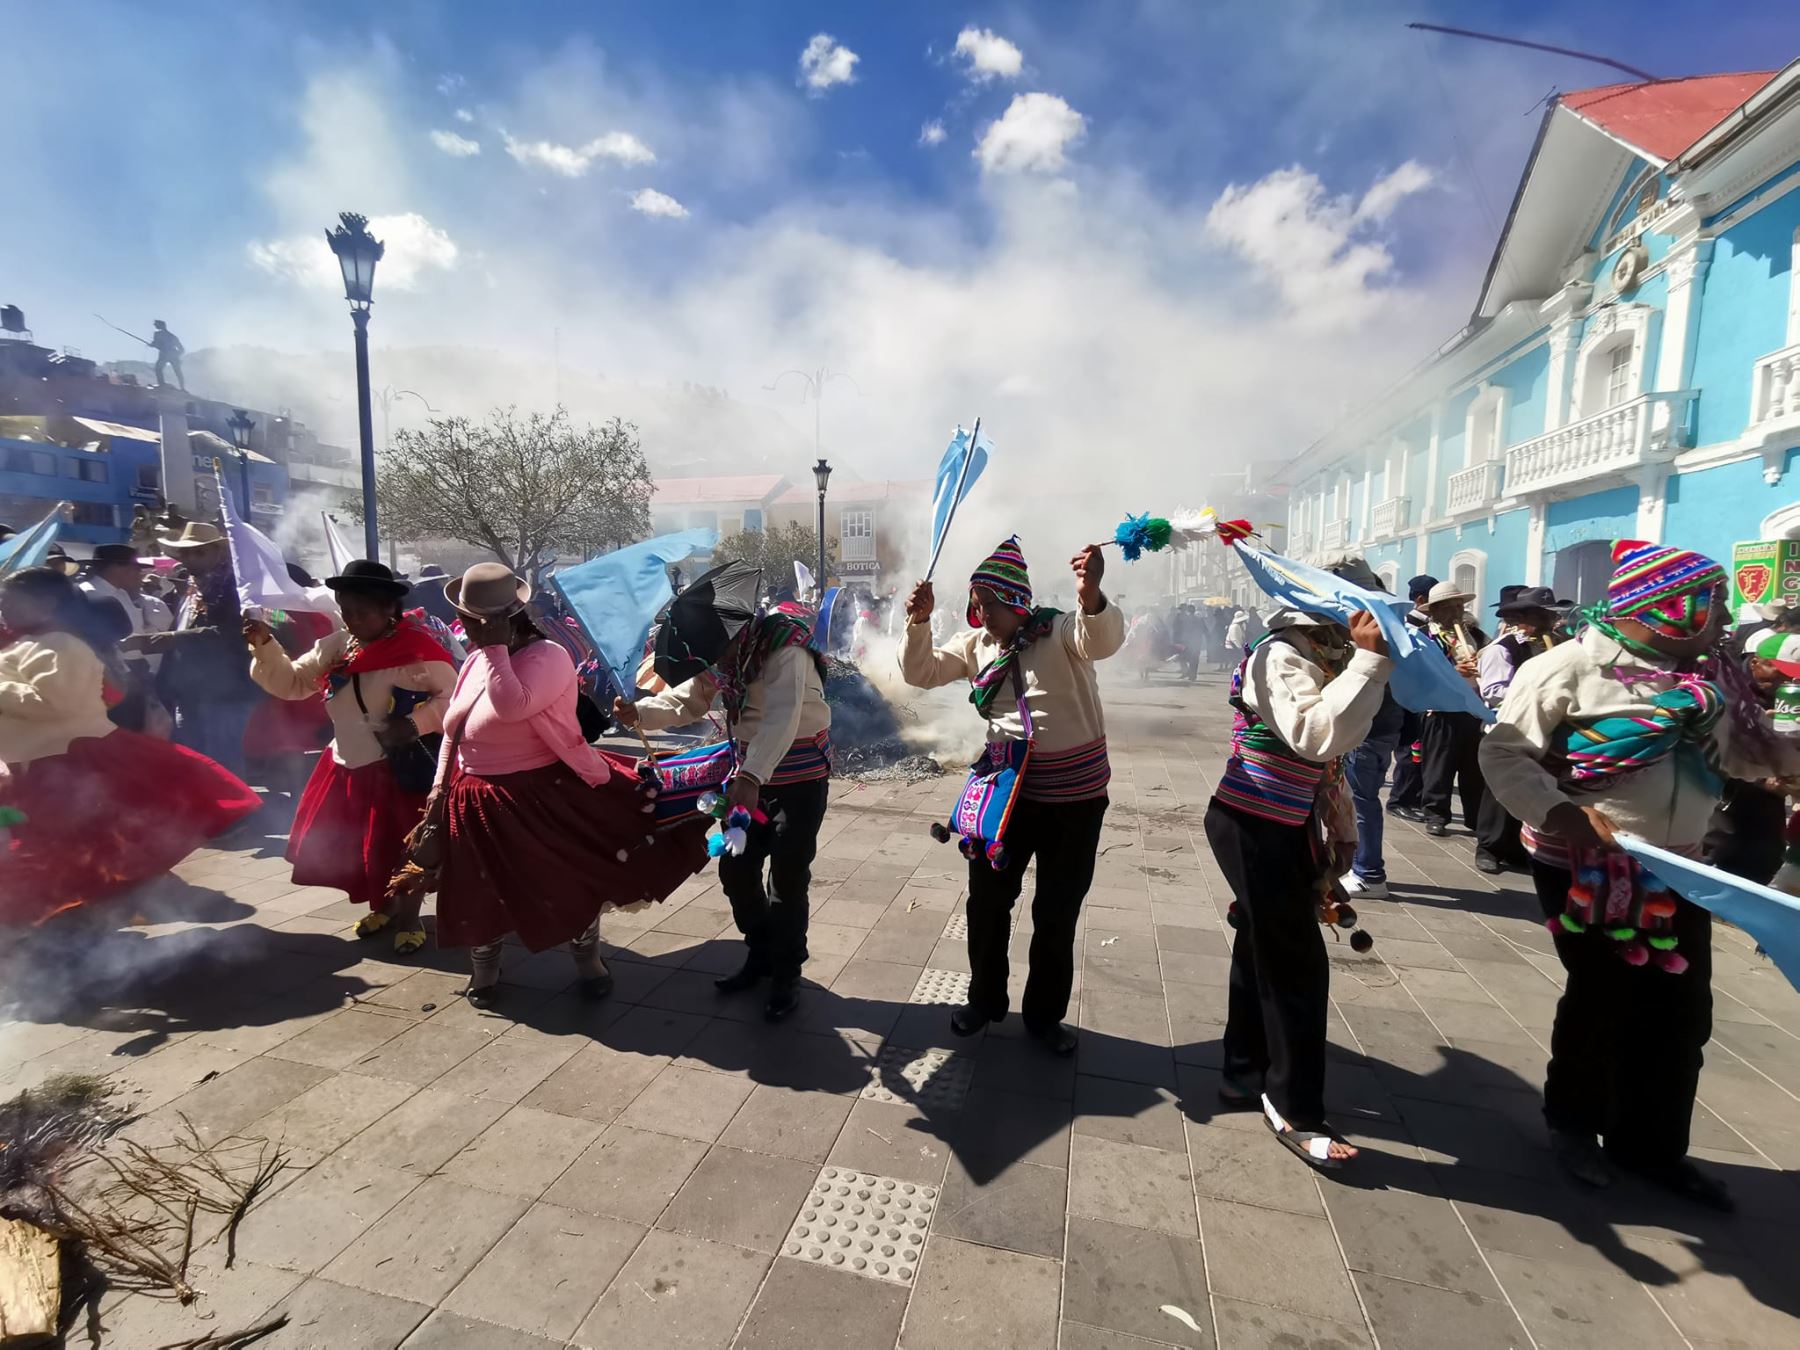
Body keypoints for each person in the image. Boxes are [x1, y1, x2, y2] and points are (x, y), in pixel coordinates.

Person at [1480, 541, 1800, 1211]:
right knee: (1603, 999)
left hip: (1681, 866)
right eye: (1714, 604)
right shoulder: (1568, 667)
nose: (1726, 618)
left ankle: (1651, 1148)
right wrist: (1559, 811)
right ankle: (1574, 1125)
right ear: (1669, 608)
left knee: (1682, 1014)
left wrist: (1783, 762)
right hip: (1585, 864)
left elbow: (1735, 757)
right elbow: (1504, 756)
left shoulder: (1708, 679)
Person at [427, 563, 708, 1006]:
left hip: (537, 794)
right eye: (464, 617)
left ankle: (587, 960)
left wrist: (496, 648)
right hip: (475, 796)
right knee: (478, 890)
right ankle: (485, 969)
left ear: (503, 619)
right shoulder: (476, 660)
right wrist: (439, 784)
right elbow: (453, 728)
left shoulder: (548, 656)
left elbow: (512, 705)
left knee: (566, 882)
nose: (464, 628)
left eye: (473, 620)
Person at [899, 537, 1124, 1055]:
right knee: (986, 903)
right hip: (1005, 796)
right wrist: (918, 622)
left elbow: (1101, 639)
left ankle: (1044, 1018)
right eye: (977, 605)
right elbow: (920, 672)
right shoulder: (976, 646)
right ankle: (984, 1000)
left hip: (1076, 798)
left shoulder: (1061, 630)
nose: (984, 615)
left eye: (991, 605)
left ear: (1017, 600)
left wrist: (1090, 593)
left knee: (1056, 913)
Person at [1206, 602, 1393, 1168]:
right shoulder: (1278, 655)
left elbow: (1328, 763)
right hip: (1252, 822)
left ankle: (1243, 1071)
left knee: (1261, 944)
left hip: (1286, 824)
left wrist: (1339, 829)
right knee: (1298, 965)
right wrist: (1368, 663)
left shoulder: (1321, 656)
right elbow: (1316, 735)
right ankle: (1293, 1107)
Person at [615, 586, 832, 1022]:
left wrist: (751, 776)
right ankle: (761, 951)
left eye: (717, 652)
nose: (716, 665)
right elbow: (690, 699)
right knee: (736, 870)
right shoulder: (723, 657)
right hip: (748, 776)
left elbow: (783, 716)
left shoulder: (785, 645)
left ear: (736, 630)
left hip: (798, 776)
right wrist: (641, 713)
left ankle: (786, 971)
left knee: (788, 880)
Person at [0, 568, 259, 923]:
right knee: (73, 849)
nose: (3, 607)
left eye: (9, 600)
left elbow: (56, 702)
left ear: (46, 602)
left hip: (65, 761)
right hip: (42, 763)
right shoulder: (30, 643)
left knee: (68, 849)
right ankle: (90, 914)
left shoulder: (61, 643)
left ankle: (84, 917)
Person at [247, 561, 456, 954]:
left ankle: (409, 918)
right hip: (346, 764)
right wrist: (265, 645)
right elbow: (293, 684)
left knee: (406, 847)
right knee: (363, 847)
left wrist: (414, 723)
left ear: (388, 609)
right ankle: (384, 906)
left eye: (362, 611)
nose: (353, 619)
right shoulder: (337, 647)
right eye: (346, 610)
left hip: (397, 769)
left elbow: (454, 699)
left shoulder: (417, 651)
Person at [144, 522, 262, 780]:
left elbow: (230, 633)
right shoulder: (192, 587)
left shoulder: (233, 588)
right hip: (189, 690)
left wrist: (171, 638)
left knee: (223, 761)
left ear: (217, 553)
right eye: (186, 552)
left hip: (226, 691)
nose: (190, 558)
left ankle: (234, 805)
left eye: (199, 552)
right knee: (192, 758)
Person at [1324, 558, 1407, 901]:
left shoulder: (1367, 629)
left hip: (1369, 727)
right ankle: (1358, 866)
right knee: (1360, 798)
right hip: (1384, 723)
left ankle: (1369, 873)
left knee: (1360, 801)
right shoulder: (1387, 621)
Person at [1471, 585, 1564, 872]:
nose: (1549, 621)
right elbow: (1493, 691)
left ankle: (1515, 847)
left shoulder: (1558, 646)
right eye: (1541, 616)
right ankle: (1488, 847)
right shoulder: (1502, 649)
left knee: (1531, 787)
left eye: (1550, 616)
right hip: (1508, 728)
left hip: (1543, 729)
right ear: (1522, 618)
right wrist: (1539, 693)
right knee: (1500, 791)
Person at [1418, 579, 1489, 837]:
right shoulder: (1424, 637)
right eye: (1449, 607)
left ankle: (1475, 817)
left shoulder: (1477, 636)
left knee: (1473, 767)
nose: (1457, 612)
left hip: (1472, 709)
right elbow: (1420, 671)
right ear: (1435, 610)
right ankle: (1436, 814)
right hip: (1440, 709)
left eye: (1459, 606)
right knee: (1439, 765)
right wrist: (1453, 671)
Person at [81, 543, 174, 735]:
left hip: (134, 671)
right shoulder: (89, 595)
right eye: (135, 568)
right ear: (117, 568)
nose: (139, 574)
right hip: (110, 674)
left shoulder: (122, 593)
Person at [1386, 575, 1437, 821]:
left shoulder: (1433, 628)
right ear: (1420, 599)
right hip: (1408, 698)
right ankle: (1399, 799)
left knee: (1420, 753)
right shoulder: (1408, 626)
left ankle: (1413, 796)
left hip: (1424, 697)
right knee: (1409, 752)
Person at [148, 320, 185, 390]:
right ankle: (181, 388)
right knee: (177, 372)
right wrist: (176, 354)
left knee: (160, 369)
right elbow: (181, 349)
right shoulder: (171, 336)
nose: (155, 326)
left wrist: (175, 355)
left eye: (157, 325)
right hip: (168, 355)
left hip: (167, 355)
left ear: (162, 325)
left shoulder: (160, 335)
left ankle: (162, 385)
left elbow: (182, 349)